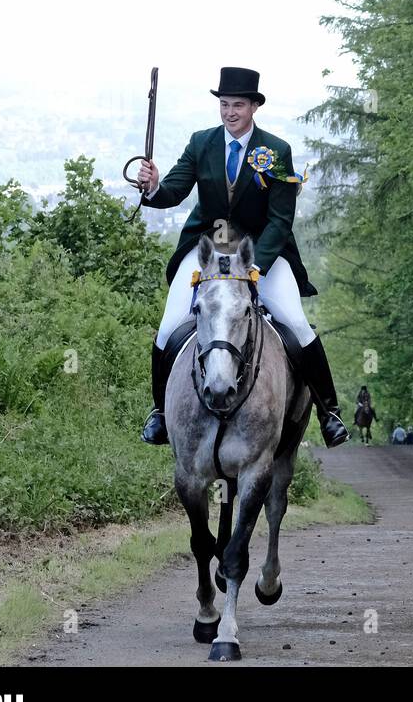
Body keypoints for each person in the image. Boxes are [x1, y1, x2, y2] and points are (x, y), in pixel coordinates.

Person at [135, 67, 348, 448]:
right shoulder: (201, 143)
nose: (229, 112)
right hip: (208, 249)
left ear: (253, 107)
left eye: (237, 105)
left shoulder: (276, 150)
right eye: (224, 104)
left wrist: (256, 267)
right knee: (168, 327)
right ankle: (161, 414)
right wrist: (153, 188)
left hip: (262, 250)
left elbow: (280, 220)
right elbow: (173, 190)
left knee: (297, 323)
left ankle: (328, 411)